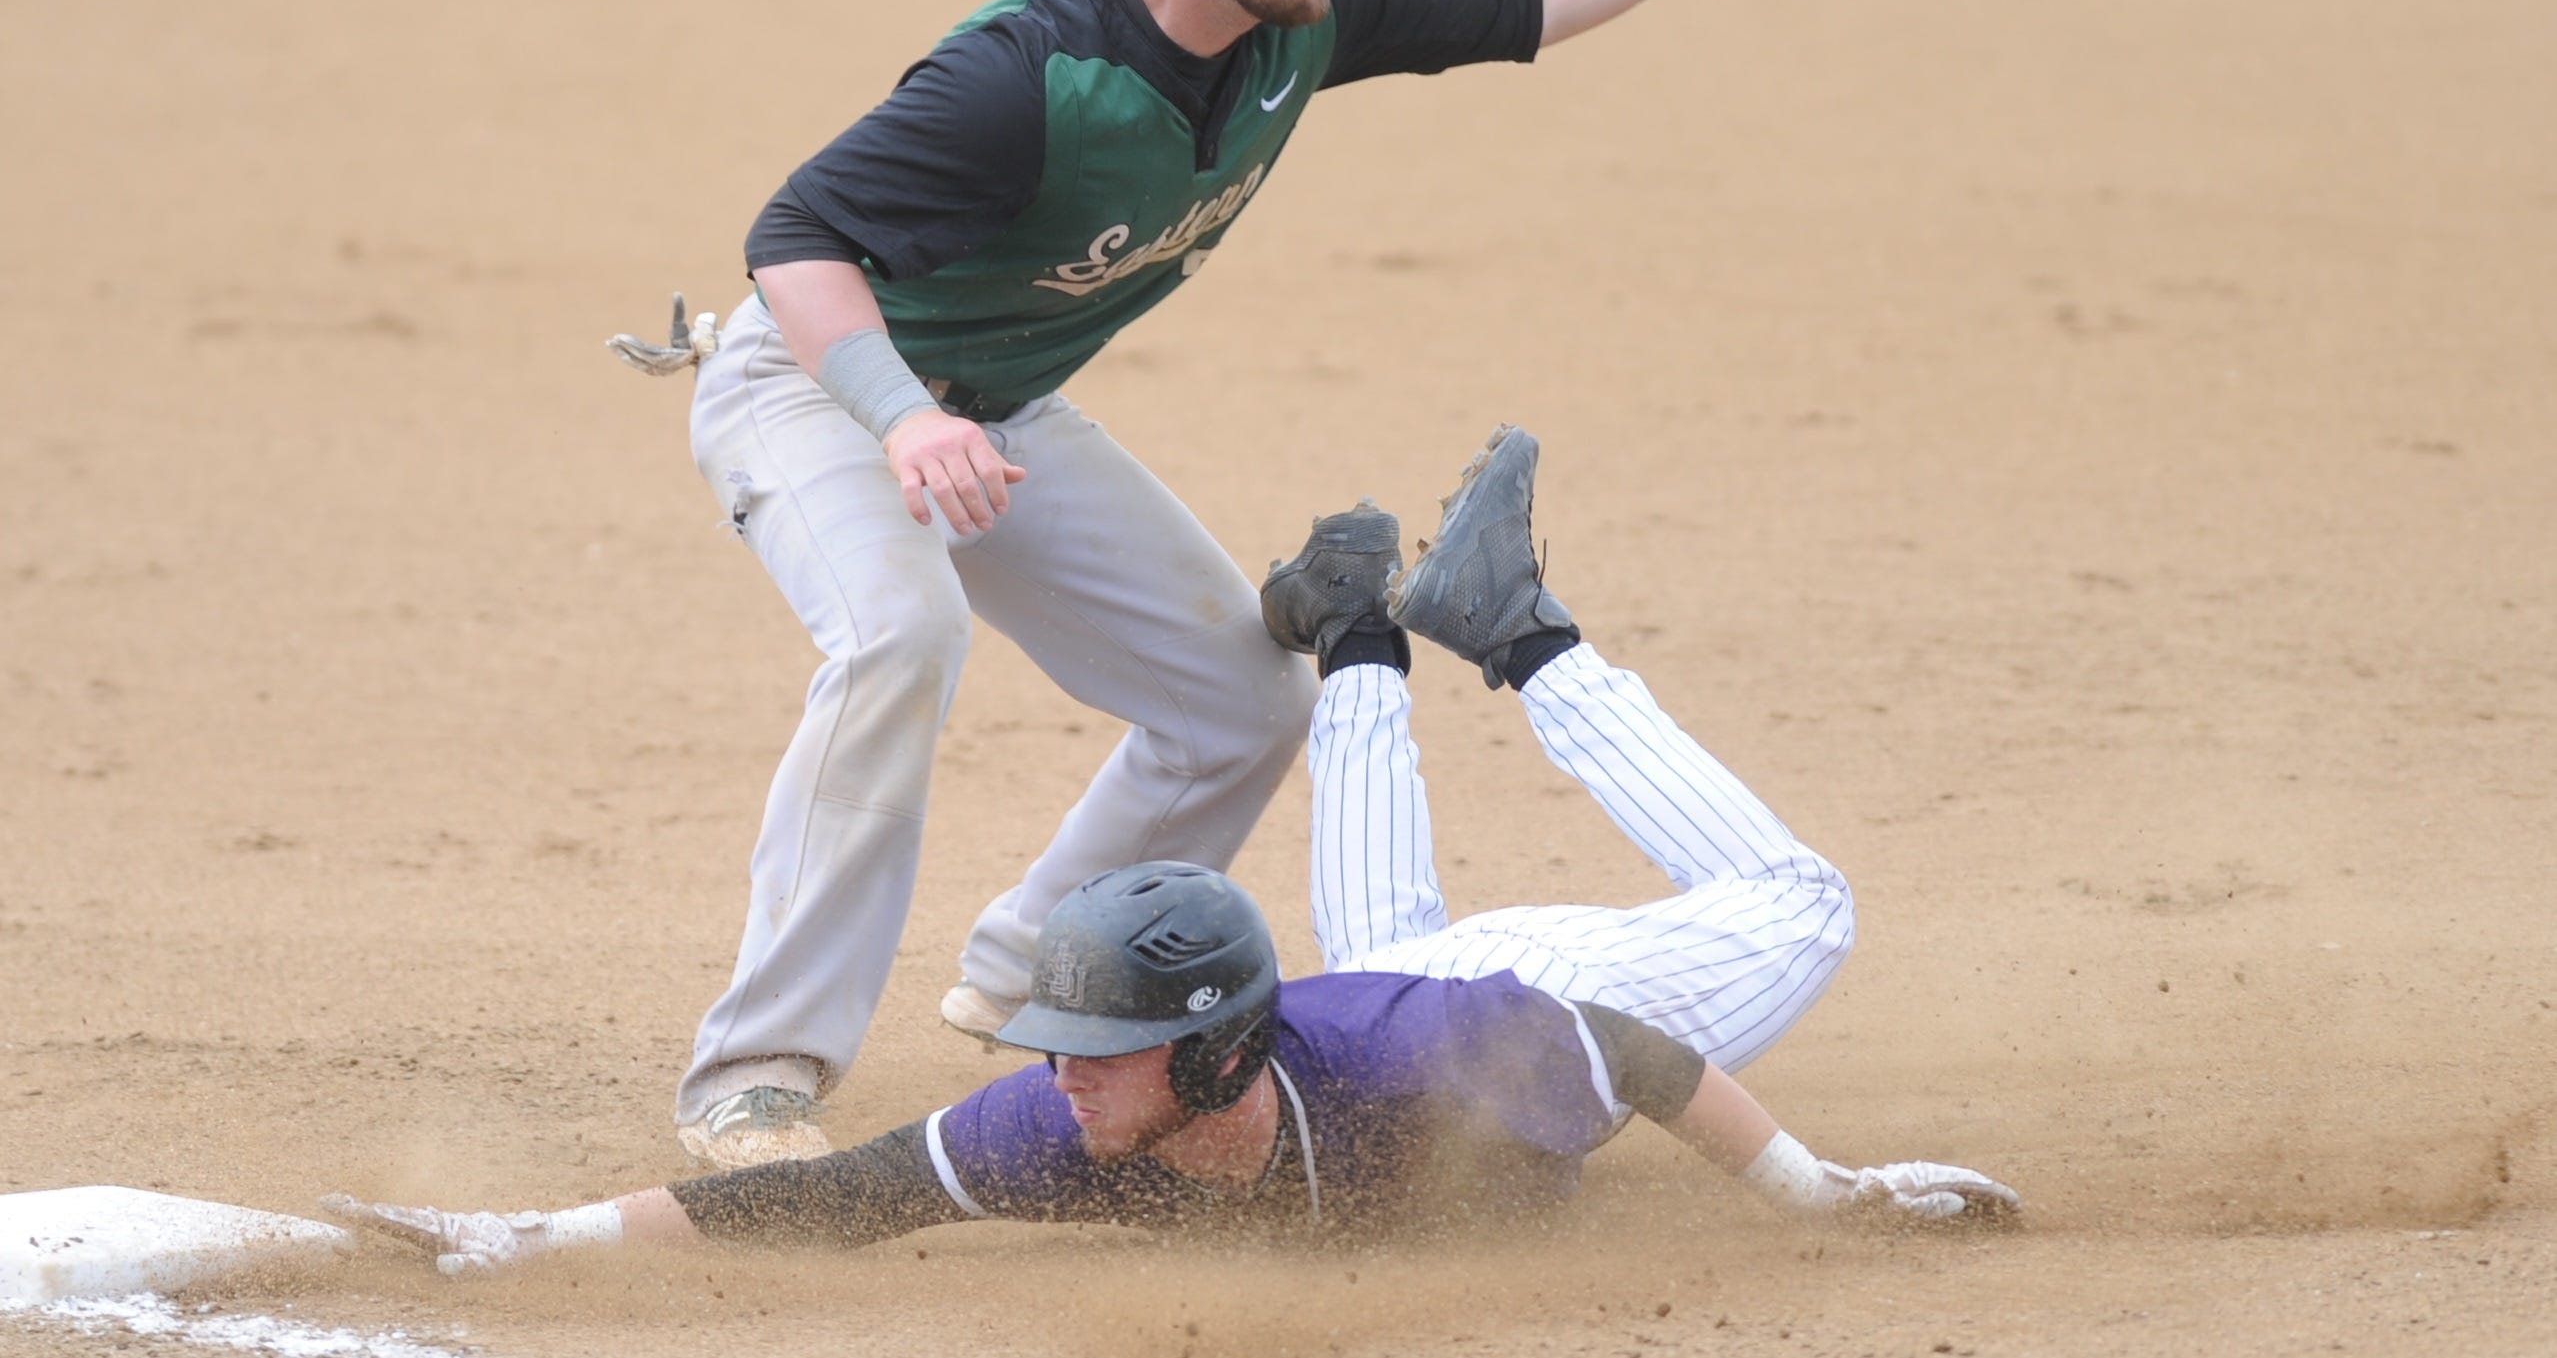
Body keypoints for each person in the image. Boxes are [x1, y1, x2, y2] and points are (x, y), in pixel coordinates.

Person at [605, 0, 1813, 1169]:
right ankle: (755, 1076)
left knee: (1240, 696)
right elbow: (796, 240)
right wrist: (903, 419)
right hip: (821, 386)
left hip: (997, 402)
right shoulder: (1018, 76)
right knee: (897, 634)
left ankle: (1032, 967)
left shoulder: (1302, 15)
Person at [324, 428, 2016, 1267]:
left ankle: (1523, 645)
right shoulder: (1088, 1120)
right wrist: (529, 1237)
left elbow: (1638, 1050)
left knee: (1801, 902)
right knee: (1383, 946)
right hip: (1380, 999)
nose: (1059, 1079)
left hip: (1531, 996)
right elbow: (833, 1195)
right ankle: (1354, 633)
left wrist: (1826, 1190)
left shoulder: (1432, 1047)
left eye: (1098, 1050)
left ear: (1205, 1050)